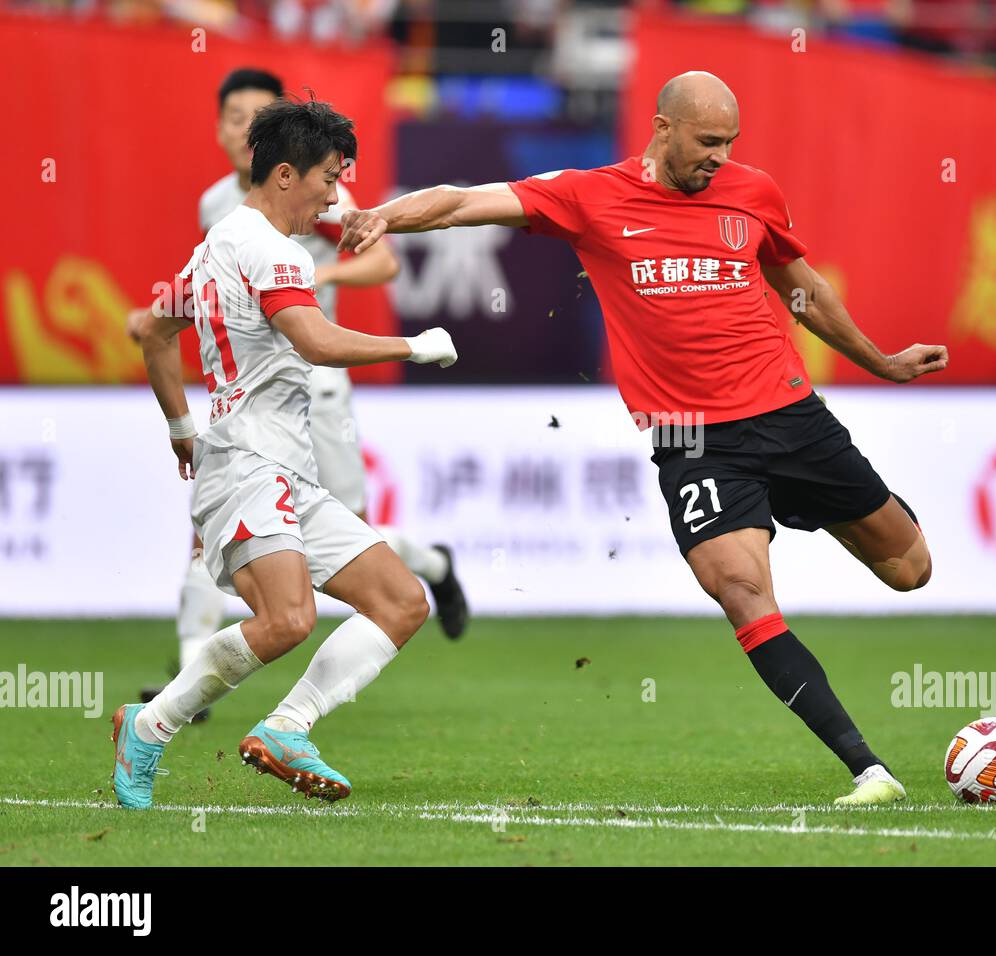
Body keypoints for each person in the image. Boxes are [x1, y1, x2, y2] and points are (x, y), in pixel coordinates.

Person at [337, 72, 950, 805]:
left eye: (730, 143)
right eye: (708, 141)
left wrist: (882, 363)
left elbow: (803, 291)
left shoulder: (754, 194)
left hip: (790, 415)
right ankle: (868, 769)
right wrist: (383, 215)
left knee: (909, 569)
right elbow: (465, 202)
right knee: (743, 593)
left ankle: (822, 507)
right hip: (695, 443)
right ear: (663, 129)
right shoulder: (591, 196)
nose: (720, 156)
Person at [114, 97, 459, 808]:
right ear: (283, 174)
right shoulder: (273, 251)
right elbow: (316, 341)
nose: (333, 197)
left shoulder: (217, 243)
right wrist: (414, 346)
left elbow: (152, 331)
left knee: (400, 601)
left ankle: (287, 727)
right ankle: (148, 727)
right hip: (248, 464)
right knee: (288, 620)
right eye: (328, 179)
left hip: (280, 466)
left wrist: (180, 428)